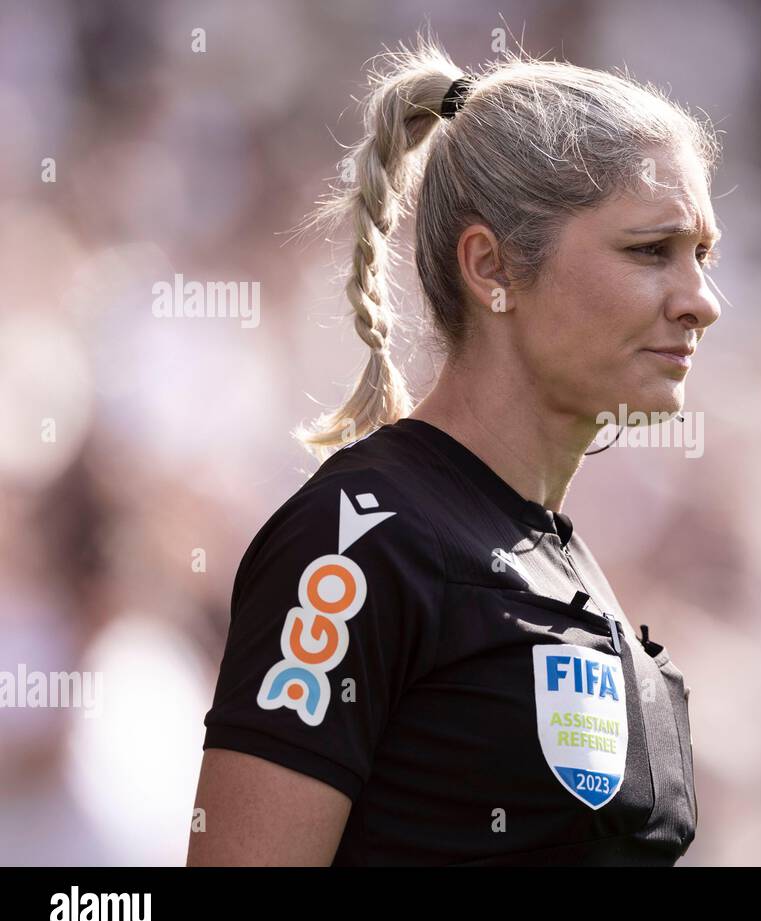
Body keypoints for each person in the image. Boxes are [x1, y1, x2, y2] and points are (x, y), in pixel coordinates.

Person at [186, 36, 723, 865]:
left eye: (703, 254)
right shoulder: (361, 541)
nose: (702, 302)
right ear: (491, 265)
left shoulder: (562, 564)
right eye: (650, 250)